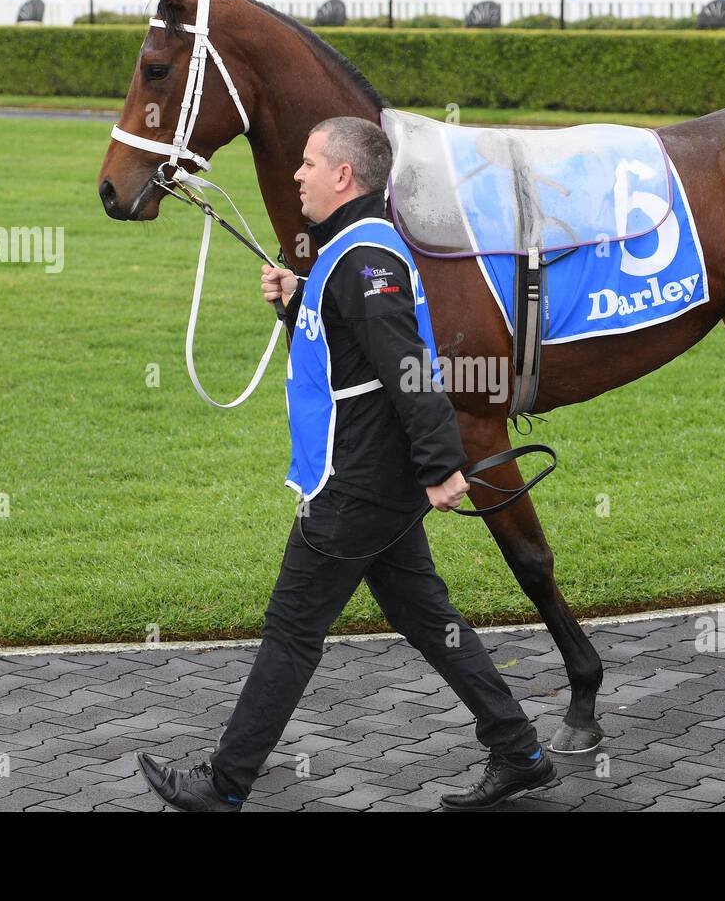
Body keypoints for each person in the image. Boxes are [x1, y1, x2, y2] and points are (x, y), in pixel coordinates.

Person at [137, 116, 556, 812]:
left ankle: (223, 784)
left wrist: (441, 464)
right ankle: (521, 751)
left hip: (356, 486)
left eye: (308, 162)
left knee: (292, 630)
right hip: (372, 484)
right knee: (427, 617)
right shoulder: (349, 253)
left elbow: (409, 369)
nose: (296, 173)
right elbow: (357, 346)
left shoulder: (365, 259)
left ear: (343, 176)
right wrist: (298, 300)